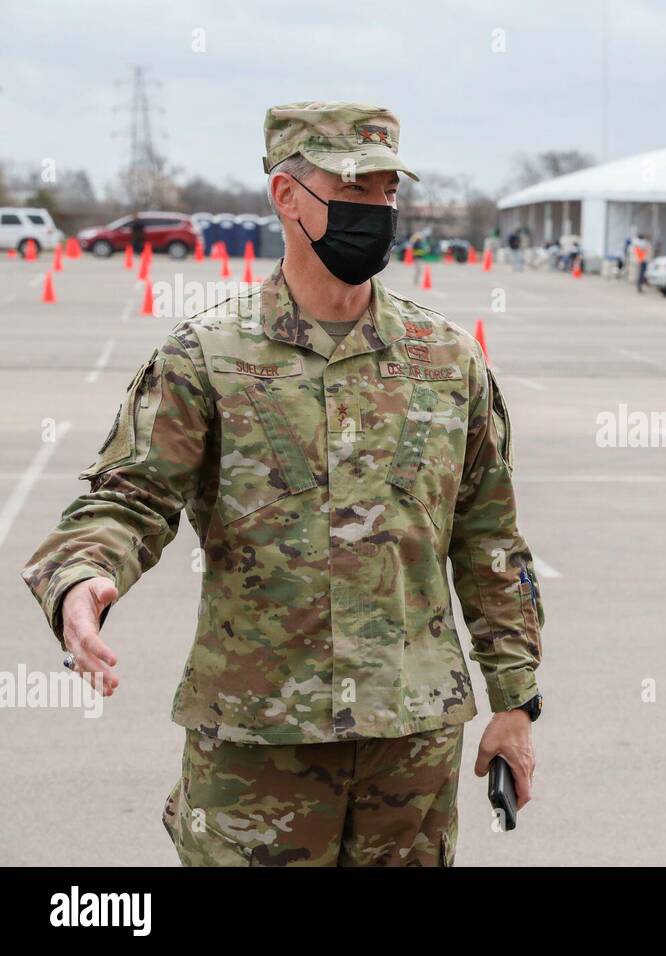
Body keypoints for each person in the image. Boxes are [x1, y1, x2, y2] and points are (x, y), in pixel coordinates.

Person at [21, 102, 545, 867]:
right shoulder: (207, 358)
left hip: (411, 750)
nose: (373, 211)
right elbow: (128, 497)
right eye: (353, 189)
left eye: (385, 193)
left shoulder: (448, 361)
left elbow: (489, 539)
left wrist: (516, 702)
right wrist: (84, 576)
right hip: (256, 751)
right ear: (286, 196)